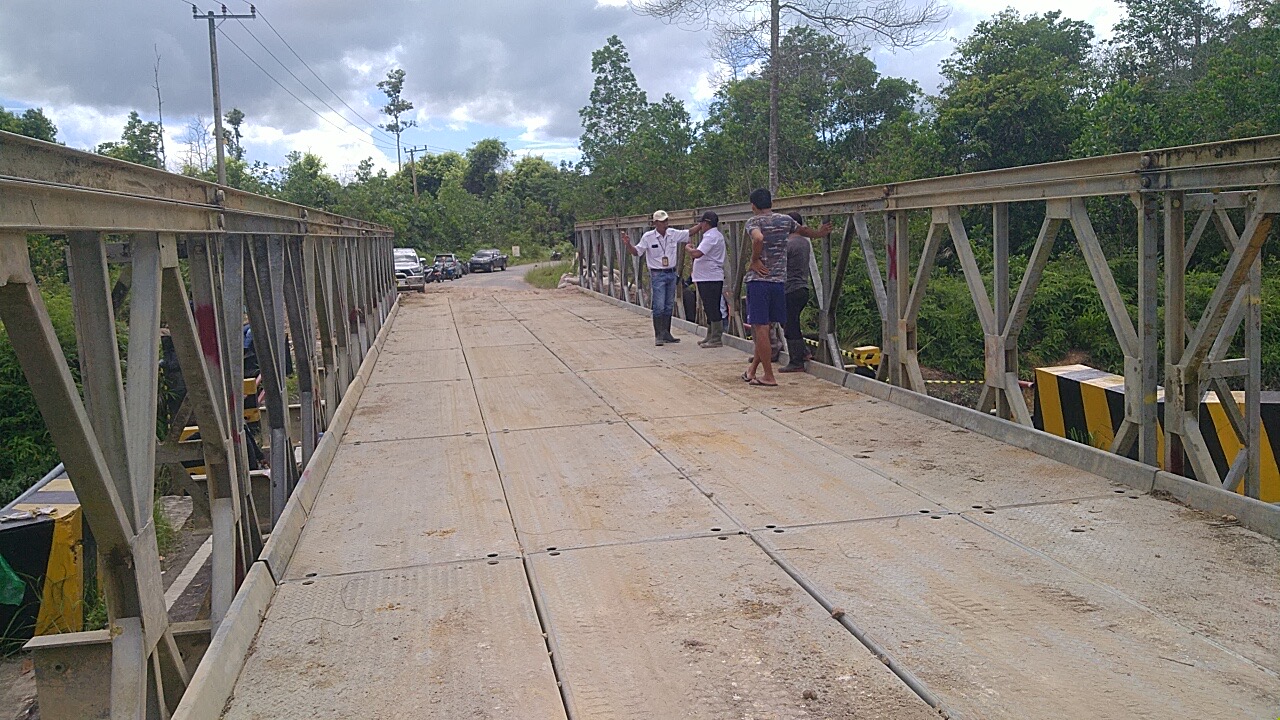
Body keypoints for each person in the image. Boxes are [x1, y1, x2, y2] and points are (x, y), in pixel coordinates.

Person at [742, 189, 830, 386]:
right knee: (767, 327)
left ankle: (769, 376)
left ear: (753, 205)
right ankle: (752, 370)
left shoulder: (754, 222)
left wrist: (754, 259)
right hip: (779, 283)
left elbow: (758, 238)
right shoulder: (785, 220)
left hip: (759, 281)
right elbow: (804, 231)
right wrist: (820, 233)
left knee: (761, 329)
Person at [623, 210, 706, 346]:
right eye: (662, 222)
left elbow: (689, 233)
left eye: (666, 221)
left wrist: (702, 222)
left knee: (668, 305)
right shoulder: (648, 237)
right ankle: (658, 334)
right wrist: (628, 245)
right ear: (655, 223)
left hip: (671, 272)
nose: (665, 224)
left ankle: (666, 333)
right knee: (659, 305)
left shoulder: (672, 233)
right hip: (657, 273)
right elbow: (637, 252)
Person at [684, 210, 726, 348]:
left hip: (710, 277)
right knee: (709, 307)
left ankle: (716, 337)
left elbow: (697, 254)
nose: (700, 225)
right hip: (706, 277)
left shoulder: (711, 236)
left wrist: (689, 249)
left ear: (707, 223)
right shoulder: (712, 236)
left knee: (712, 307)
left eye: (701, 222)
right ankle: (710, 335)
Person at [779, 211, 813, 373]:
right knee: (791, 322)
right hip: (802, 288)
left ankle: (796, 361)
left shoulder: (789, 244)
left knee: (790, 324)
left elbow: (778, 265)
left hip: (790, 289)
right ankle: (804, 352)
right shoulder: (804, 242)